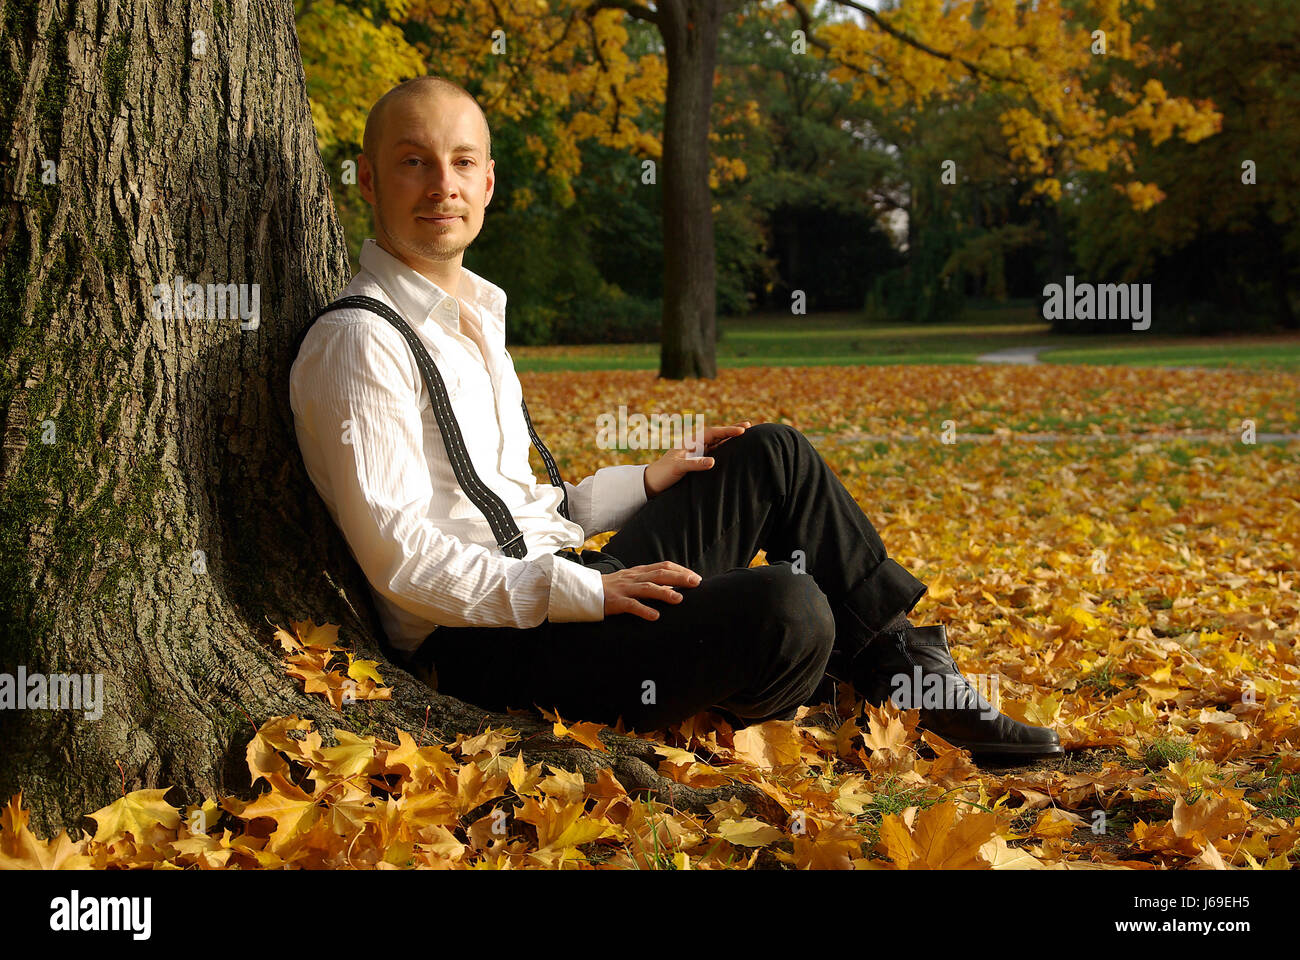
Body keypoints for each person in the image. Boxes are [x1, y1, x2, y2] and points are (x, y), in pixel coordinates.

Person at [289, 76, 1061, 758]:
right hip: (485, 649)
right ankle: (824, 672)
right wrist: (586, 594)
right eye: (413, 160)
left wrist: (644, 483)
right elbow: (401, 560)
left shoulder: (474, 313)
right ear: (366, 179)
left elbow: (514, 508)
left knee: (772, 456)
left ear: (488, 182)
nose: (441, 186)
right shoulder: (360, 341)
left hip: (568, 583)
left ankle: (904, 671)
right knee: (790, 609)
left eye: (461, 162)